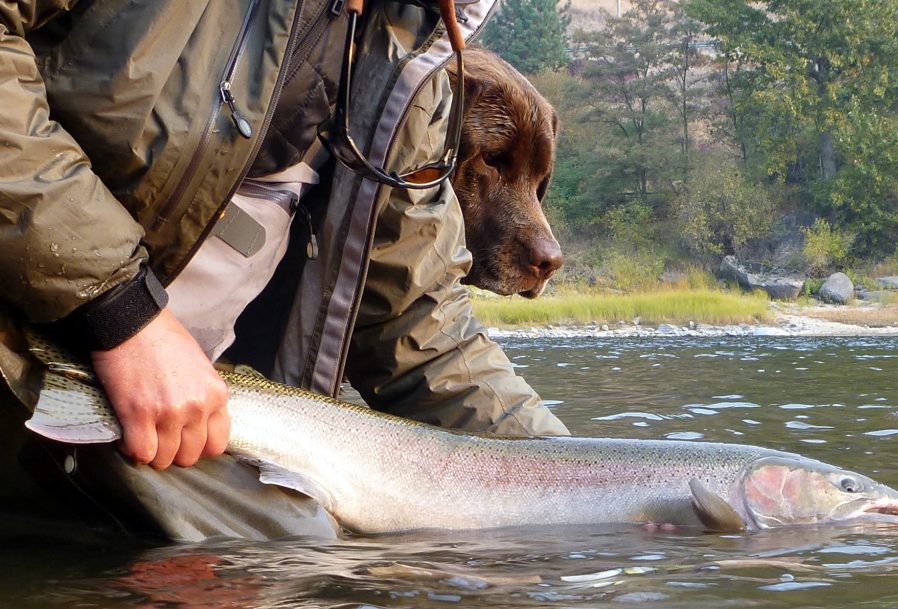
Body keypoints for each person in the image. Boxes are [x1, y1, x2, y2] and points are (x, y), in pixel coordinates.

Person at [0, 0, 567, 542]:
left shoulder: (413, 62)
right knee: (288, 547)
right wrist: (121, 314)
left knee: (319, 539)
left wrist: (577, 476)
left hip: (183, 397)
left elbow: (414, 325)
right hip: (38, 335)